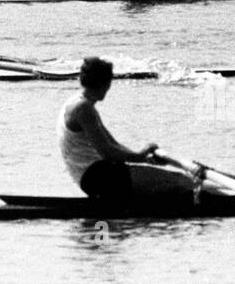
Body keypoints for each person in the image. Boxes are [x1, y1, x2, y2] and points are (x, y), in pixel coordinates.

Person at [57, 56, 208, 199]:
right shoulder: (83, 108)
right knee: (182, 181)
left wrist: (145, 159)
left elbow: (113, 145)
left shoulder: (78, 103)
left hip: (97, 176)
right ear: (106, 83)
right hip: (99, 178)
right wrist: (140, 157)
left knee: (176, 181)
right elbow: (107, 153)